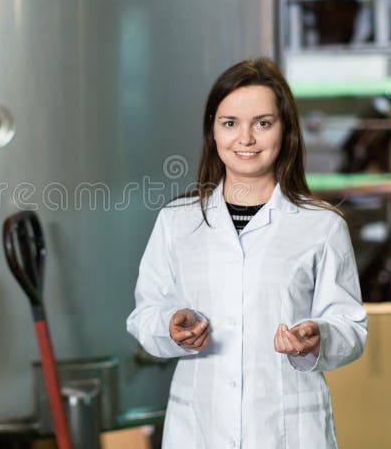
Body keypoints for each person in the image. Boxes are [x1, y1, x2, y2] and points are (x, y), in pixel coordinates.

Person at [126, 58, 367, 449]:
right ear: (213, 132)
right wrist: (171, 326)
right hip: (199, 428)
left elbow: (351, 327)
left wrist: (318, 336)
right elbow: (144, 314)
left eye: (263, 123)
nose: (246, 138)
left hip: (289, 432)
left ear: (285, 130)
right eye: (230, 123)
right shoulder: (177, 221)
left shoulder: (321, 226)